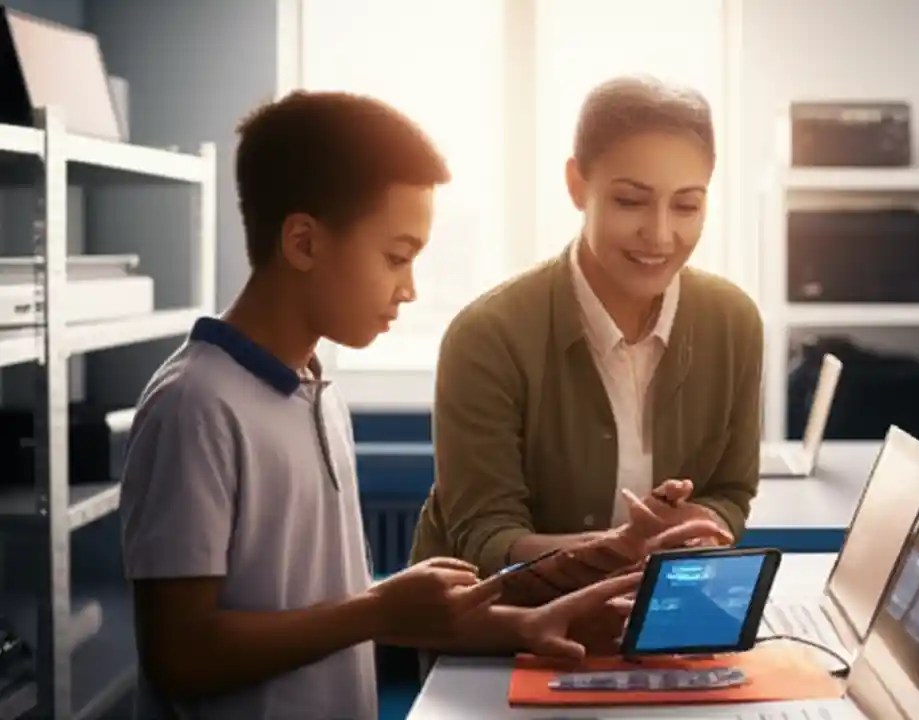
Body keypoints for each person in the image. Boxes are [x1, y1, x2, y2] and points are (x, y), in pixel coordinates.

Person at [117, 91, 666, 720]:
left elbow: (329, 617)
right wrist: (379, 609)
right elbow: (181, 656)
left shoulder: (317, 394)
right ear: (303, 242)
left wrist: (525, 623)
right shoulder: (195, 406)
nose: (408, 288)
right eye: (396, 257)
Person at [410, 75, 765, 578]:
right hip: (497, 626)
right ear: (578, 186)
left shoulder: (733, 323)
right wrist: (615, 550)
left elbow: (731, 492)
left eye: (687, 205)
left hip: (651, 618)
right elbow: (485, 536)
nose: (661, 235)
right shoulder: (487, 335)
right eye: (630, 201)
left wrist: (696, 524)